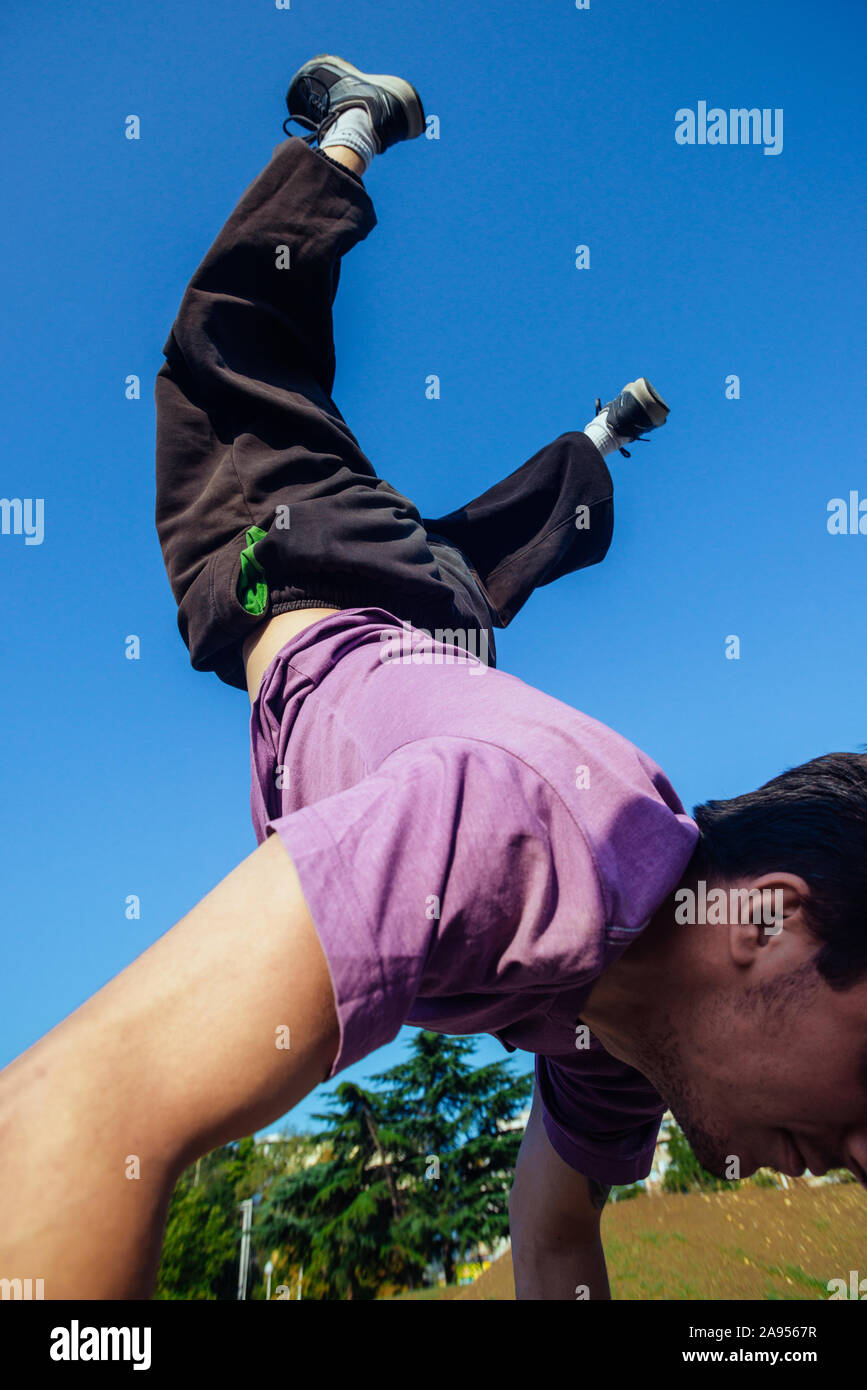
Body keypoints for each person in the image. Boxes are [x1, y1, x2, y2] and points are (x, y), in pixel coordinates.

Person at [1, 56, 865, 1302]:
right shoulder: (514, 833)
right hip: (308, 558)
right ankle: (351, 134)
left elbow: (558, 1242)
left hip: (426, 618)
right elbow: (75, 1108)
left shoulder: (619, 1028)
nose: (858, 1157)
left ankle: (602, 436)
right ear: (769, 921)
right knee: (224, 359)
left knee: (472, 565)